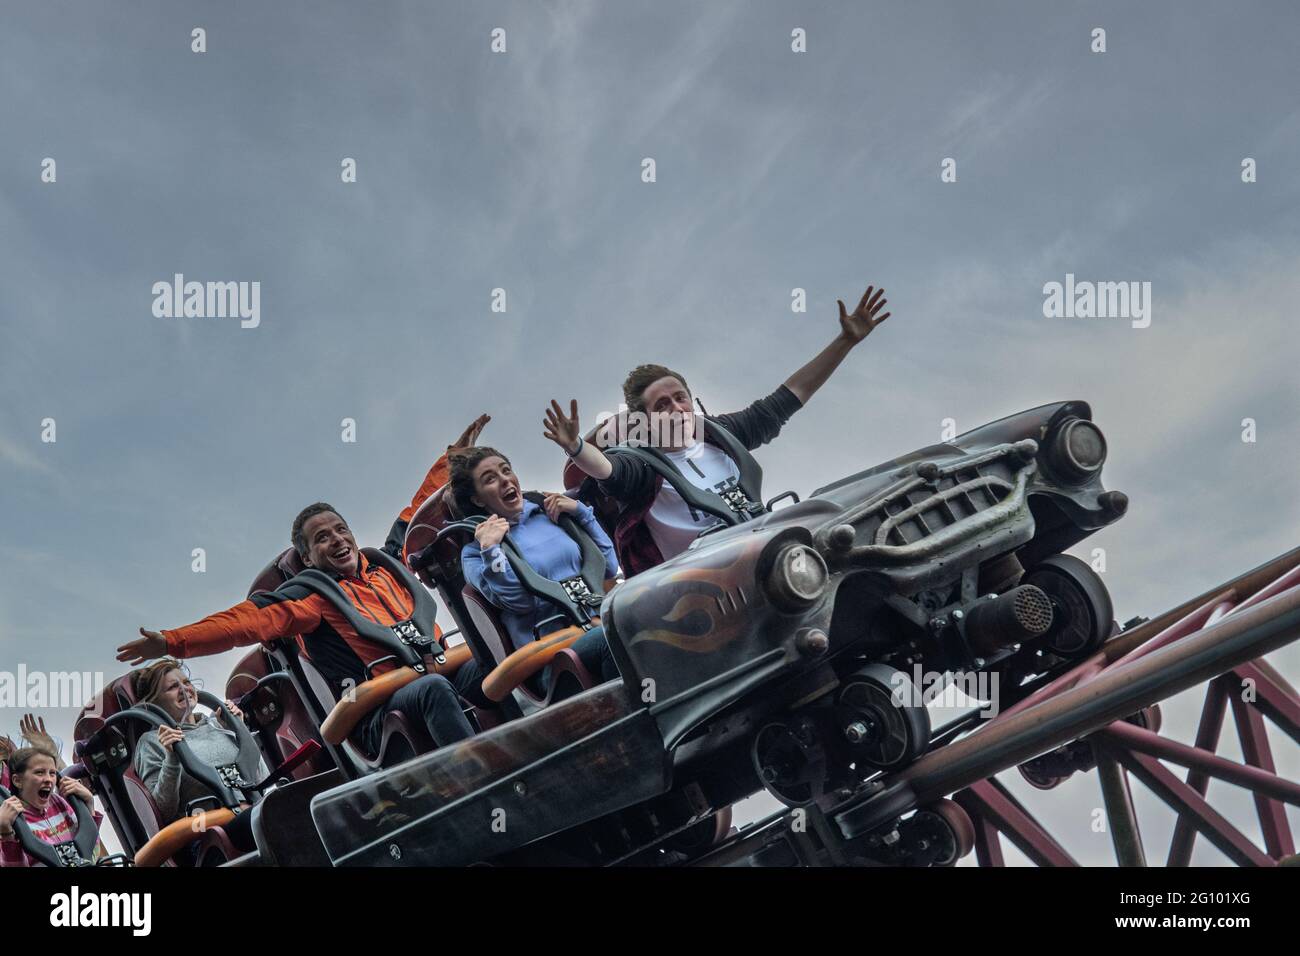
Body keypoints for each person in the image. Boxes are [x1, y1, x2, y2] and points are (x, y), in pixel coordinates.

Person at [116, 416, 494, 759]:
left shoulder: (386, 564)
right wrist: (170, 641)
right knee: (433, 691)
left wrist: (454, 461)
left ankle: (531, 754)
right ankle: (480, 784)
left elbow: (412, 515)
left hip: (438, 674)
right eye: (322, 538)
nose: (338, 540)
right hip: (378, 712)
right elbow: (242, 623)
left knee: (491, 661)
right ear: (309, 558)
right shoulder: (310, 598)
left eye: (341, 530)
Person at [546, 284, 892, 575]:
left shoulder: (721, 434)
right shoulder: (642, 467)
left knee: (847, 531)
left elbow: (789, 397)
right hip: (703, 582)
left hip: (768, 553)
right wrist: (576, 447)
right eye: (662, 405)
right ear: (645, 420)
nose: (677, 408)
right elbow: (608, 470)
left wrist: (845, 341)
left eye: (680, 397)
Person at [450, 446, 620, 692]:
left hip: (598, 625)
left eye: (506, 470)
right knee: (610, 639)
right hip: (552, 660)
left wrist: (581, 513)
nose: (505, 480)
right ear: (477, 499)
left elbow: (608, 567)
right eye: (490, 479)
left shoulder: (548, 513)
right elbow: (519, 601)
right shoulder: (475, 553)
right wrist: (491, 549)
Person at [129, 659, 266, 850]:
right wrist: (172, 758)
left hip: (253, 814)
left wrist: (239, 731)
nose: (184, 690)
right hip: (207, 835)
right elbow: (163, 810)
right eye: (172, 687)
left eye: (186, 683)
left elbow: (261, 781)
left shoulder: (218, 724)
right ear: (154, 702)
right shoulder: (152, 742)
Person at [0, 746, 102, 867]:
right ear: (17, 781)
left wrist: (88, 805)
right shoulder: (10, 818)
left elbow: (93, 854)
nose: (48, 779)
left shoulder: (60, 803)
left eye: (52, 773)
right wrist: (6, 833)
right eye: (39, 772)